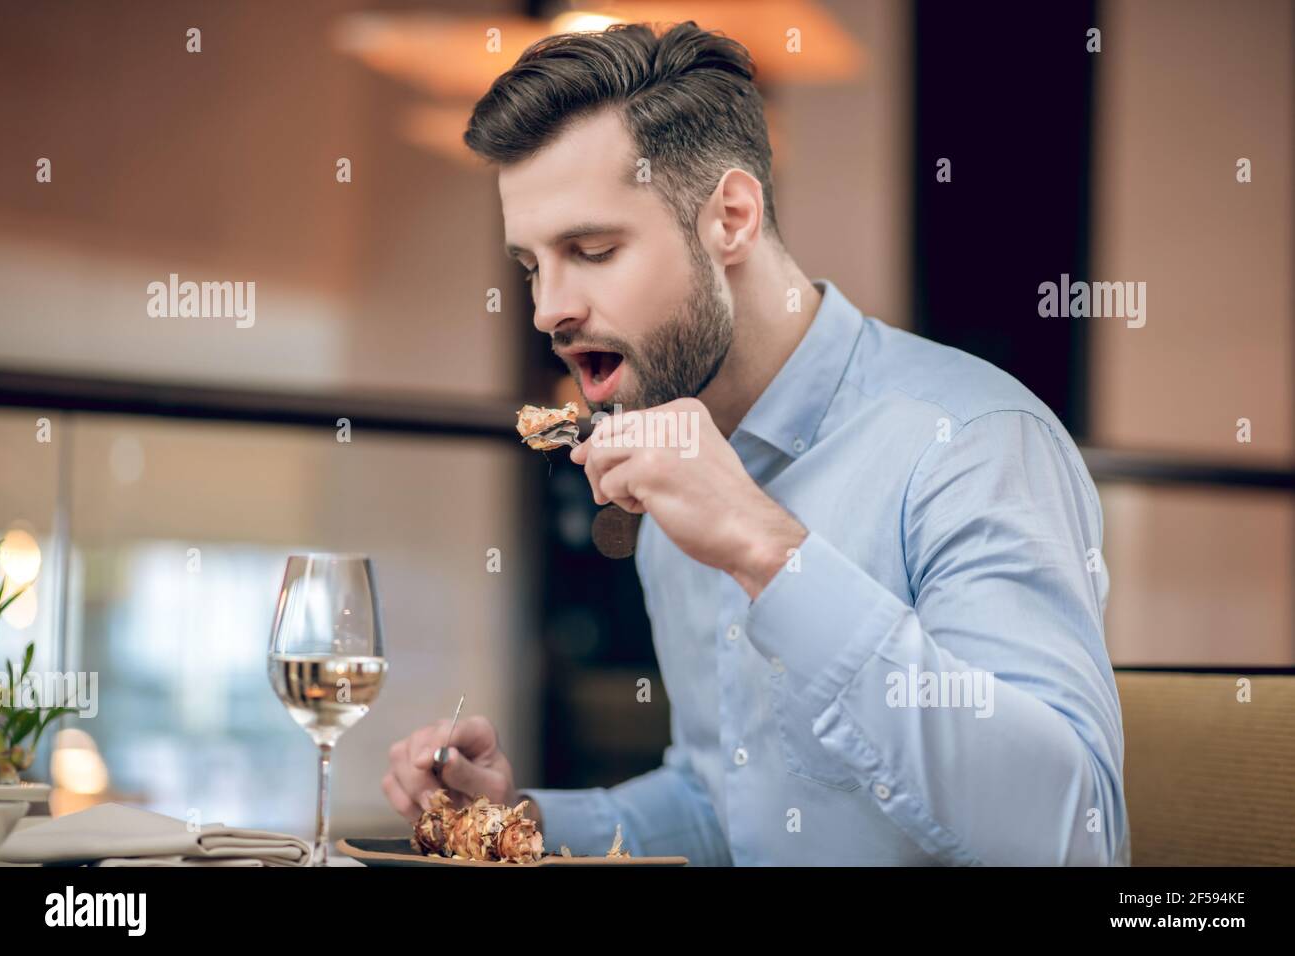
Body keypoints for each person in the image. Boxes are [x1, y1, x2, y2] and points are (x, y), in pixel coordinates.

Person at [383, 21, 1129, 866]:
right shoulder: (675, 455)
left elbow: (1076, 838)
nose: (548, 309)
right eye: (531, 266)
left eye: (591, 251)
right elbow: (725, 805)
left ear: (731, 218)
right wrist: (514, 822)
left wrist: (768, 552)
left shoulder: (975, 443)